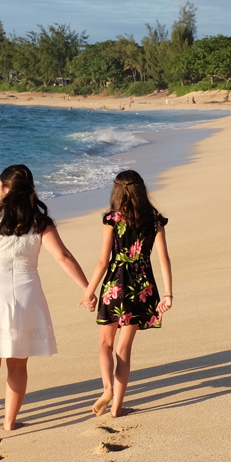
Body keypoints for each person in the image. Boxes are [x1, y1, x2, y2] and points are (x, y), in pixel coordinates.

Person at [0, 165, 90, 445]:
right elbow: (63, 256)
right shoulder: (40, 222)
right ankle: (9, 422)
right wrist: (88, 289)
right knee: (18, 365)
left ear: (6, 189)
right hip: (29, 292)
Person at [80, 170, 173, 418]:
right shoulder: (155, 220)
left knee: (105, 343)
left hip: (115, 284)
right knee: (123, 350)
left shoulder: (112, 220)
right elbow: (163, 258)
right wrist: (168, 295)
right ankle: (117, 408)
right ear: (142, 190)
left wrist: (89, 293)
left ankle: (107, 388)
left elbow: (102, 262)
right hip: (141, 287)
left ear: (117, 192)